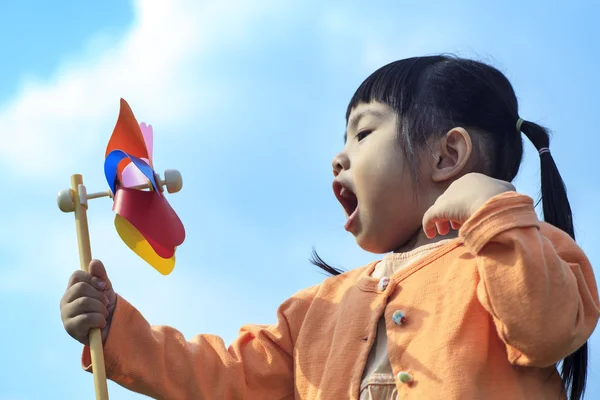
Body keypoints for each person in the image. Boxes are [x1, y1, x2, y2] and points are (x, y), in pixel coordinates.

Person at [60, 55, 600, 399]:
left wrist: (494, 209)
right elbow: (227, 377)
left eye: (363, 133)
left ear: (448, 155)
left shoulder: (527, 248)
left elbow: (544, 328)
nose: (339, 159)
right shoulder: (319, 309)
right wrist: (114, 329)